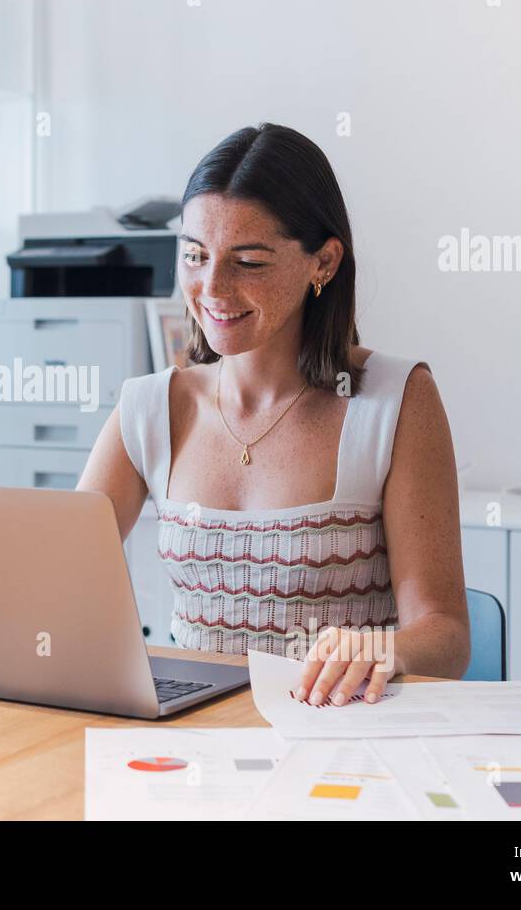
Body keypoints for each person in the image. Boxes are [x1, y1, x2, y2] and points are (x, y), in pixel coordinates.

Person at [77, 122, 469, 706]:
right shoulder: (150, 408)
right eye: (195, 256)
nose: (212, 288)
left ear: (325, 263)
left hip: (341, 736)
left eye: (249, 262)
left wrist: (389, 650)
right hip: (194, 744)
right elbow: (51, 582)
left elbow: (447, 636)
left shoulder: (395, 401)